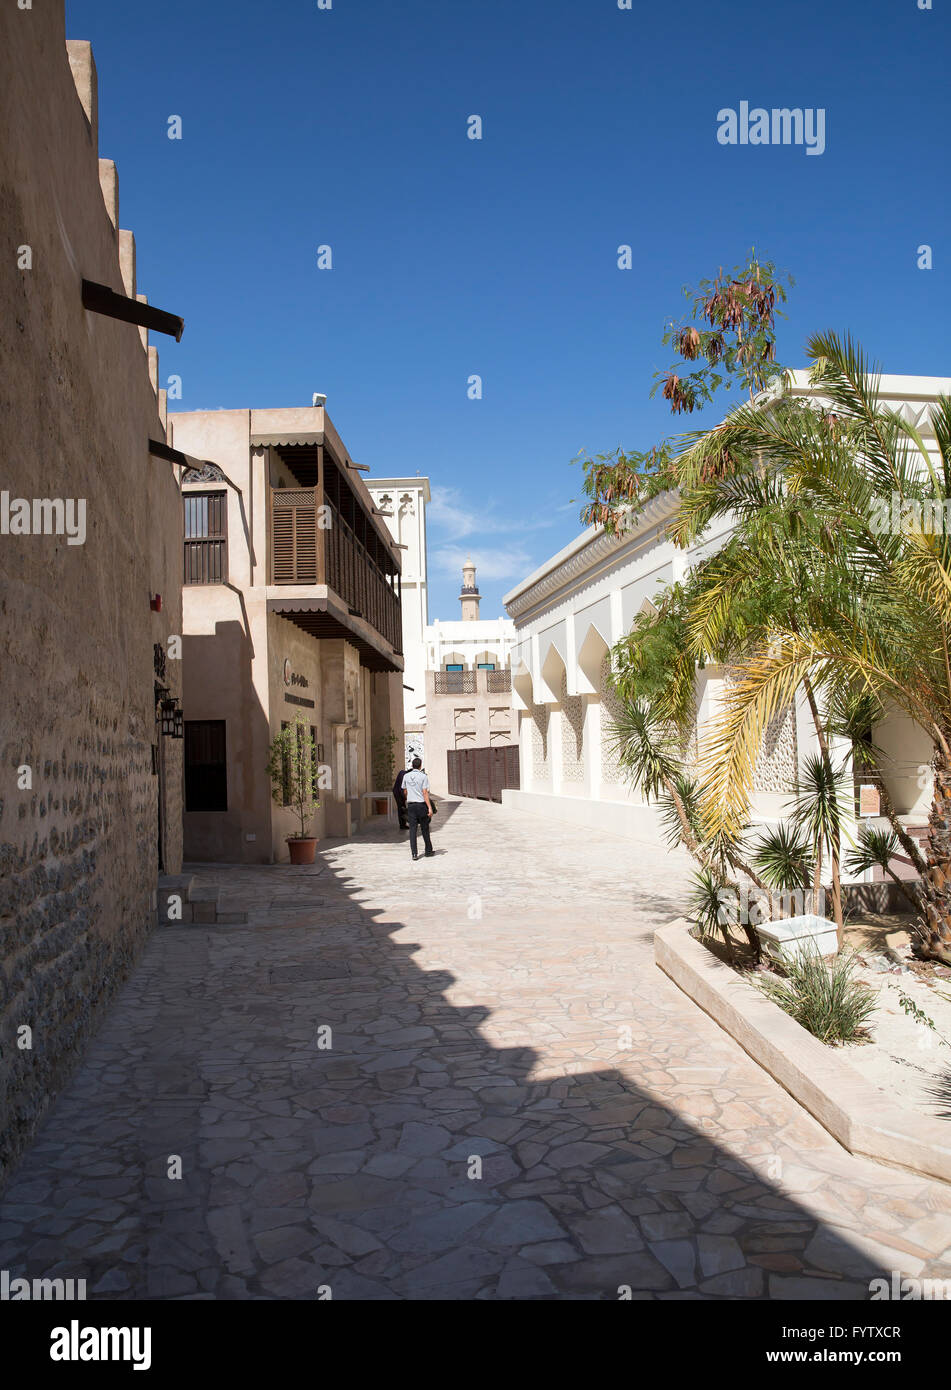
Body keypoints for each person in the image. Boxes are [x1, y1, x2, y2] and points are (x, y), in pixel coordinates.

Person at [402, 757, 435, 860]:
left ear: (412, 765)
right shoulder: (423, 776)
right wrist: (429, 807)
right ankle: (428, 851)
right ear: (420, 766)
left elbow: (405, 791)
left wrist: (409, 798)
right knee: (425, 828)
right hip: (421, 805)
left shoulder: (406, 776)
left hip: (411, 806)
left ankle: (414, 854)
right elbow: (425, 793)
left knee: (413, 830)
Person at [392, 764, 410, 830]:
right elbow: (401, 789)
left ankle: (403, 824)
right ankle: (402, 825)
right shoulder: (403, 775)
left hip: (400, 792)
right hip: (397, 793)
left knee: (403, 807)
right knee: (401, 808)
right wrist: (406, 798)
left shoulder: (404, 774)